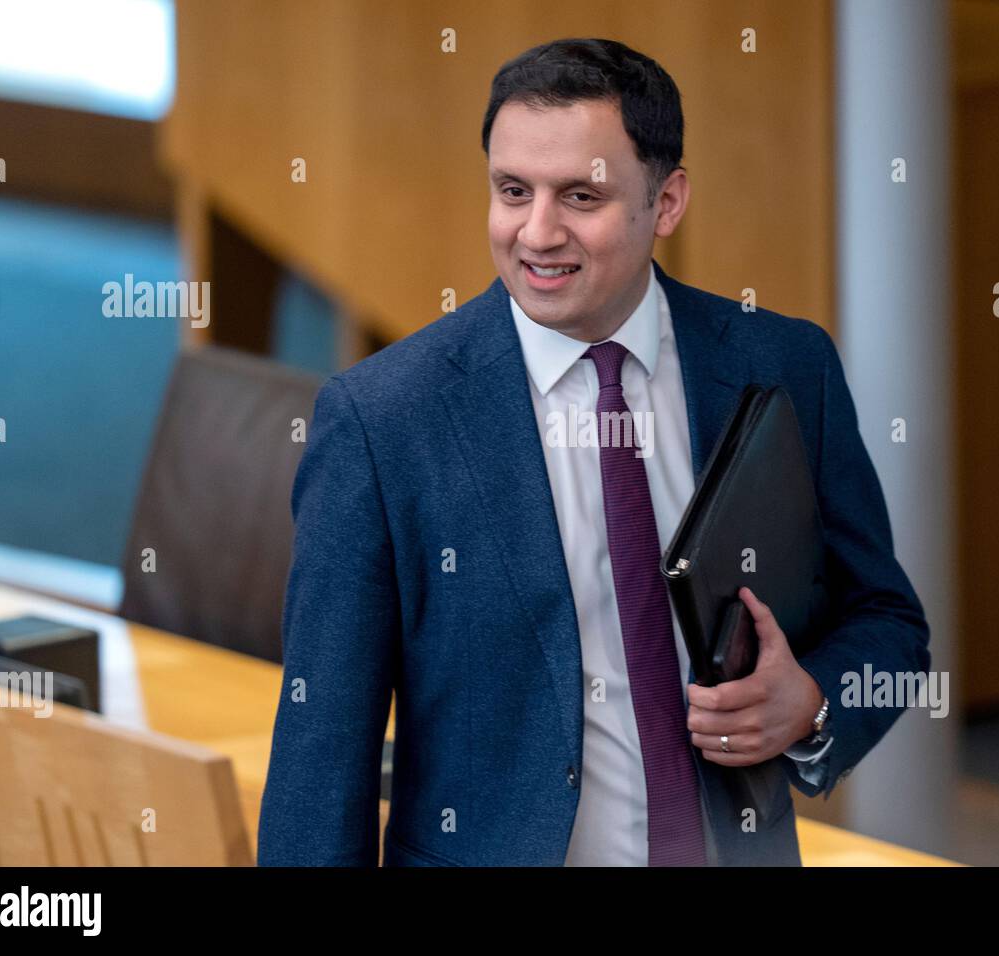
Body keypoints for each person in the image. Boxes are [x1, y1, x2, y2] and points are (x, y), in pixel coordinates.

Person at [257, 37, 929, 867]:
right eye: (512, 191)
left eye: (580, 195)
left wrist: (813, 705)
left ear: (668, 200)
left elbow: (888, 622)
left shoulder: (784, 366)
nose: (537, 234)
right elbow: (322, 752)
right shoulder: (383, 421)